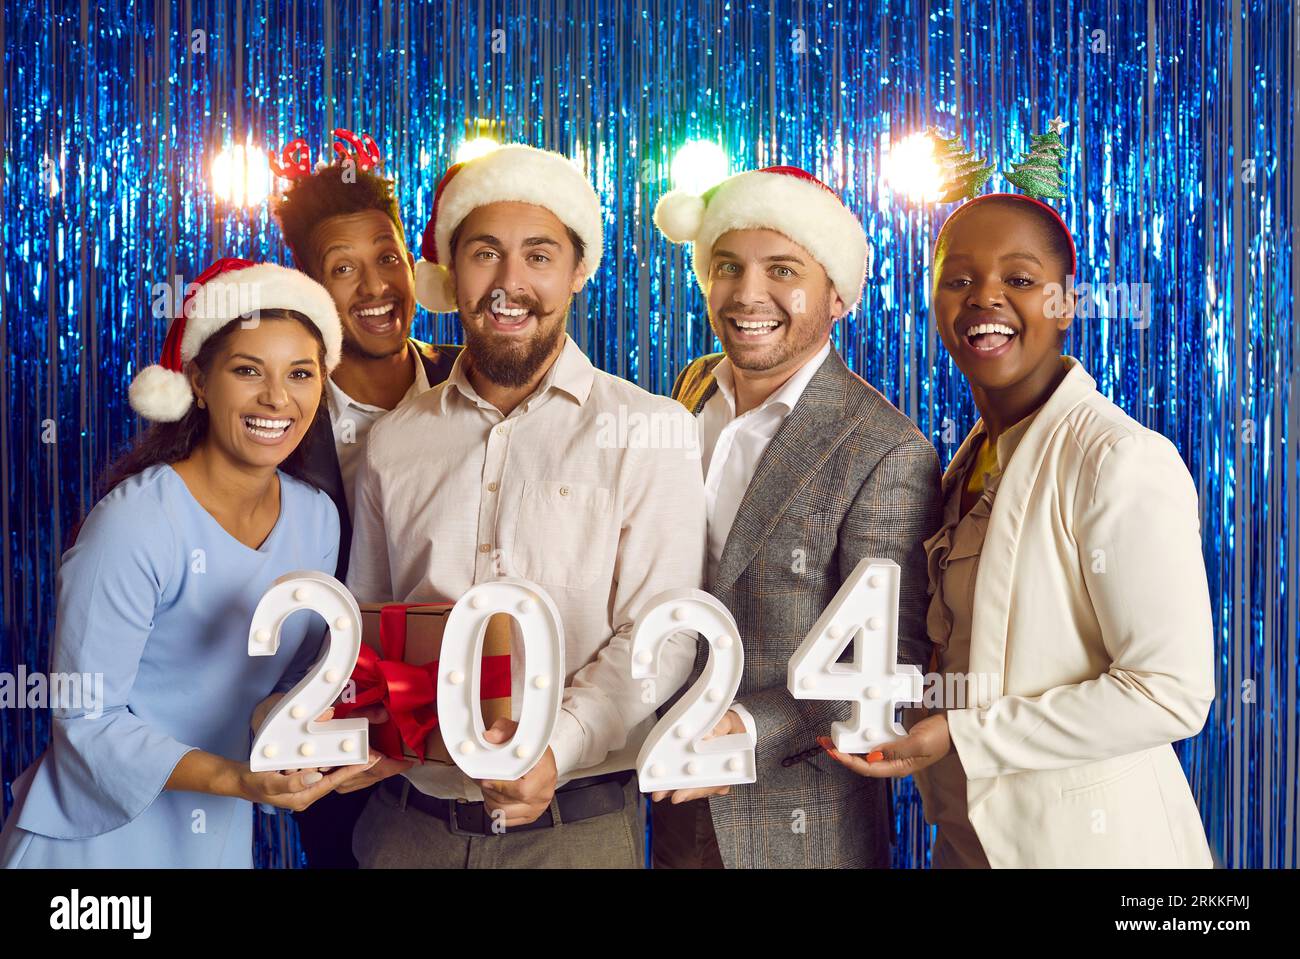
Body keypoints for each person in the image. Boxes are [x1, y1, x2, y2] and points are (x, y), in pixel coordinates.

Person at [342, 143, 707, 868]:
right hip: (405, 830)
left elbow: (660, 635)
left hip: (576, 835)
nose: (509, 283)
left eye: (539, 255)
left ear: (578, 271)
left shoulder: (650, 431)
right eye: (485, 253)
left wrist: (556, 743)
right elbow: (370, 621)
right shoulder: (394, 442)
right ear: (451, 270)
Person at [825, 193, 1216, 868]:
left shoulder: (1117, 458)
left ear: (1065, 301)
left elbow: (1169, 694)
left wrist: (966, 735)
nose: (986, 298)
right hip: (970, 844)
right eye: (960, 279)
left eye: (1020, 279)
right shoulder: (965, 462)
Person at [0, 258, 378, 868]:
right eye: (248, 370)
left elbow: (291, 680)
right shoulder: (136, 522)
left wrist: (297, 737)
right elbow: (86, 719)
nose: (277, 398)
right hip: (94, 847)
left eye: (301, 374)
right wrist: (237, 779)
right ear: (199, 381)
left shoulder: (317, 518)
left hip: (211, 840)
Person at [649, 166, 942, 868]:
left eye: (782, 269)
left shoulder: (887, 447)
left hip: (791, 822)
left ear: (836, 293)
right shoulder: (690, 392)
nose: (749, 294)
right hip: (661, 798)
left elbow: (890, 661)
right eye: (728, 267)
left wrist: (744, 727)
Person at [269, 129, 460, 867]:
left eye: (387, 258)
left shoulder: (478, 384)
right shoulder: (280, 420)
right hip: (332, 742)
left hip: (462, 730)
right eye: (343, 268)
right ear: (311, 289)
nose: (376, 287)